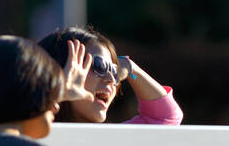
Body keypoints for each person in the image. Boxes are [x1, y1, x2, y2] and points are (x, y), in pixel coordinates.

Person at [36, 25, 183, 125]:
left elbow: (166, 118)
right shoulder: (26, 132)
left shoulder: (110, 141)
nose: (112, 79)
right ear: (59, 69)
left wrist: (131, 69)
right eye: (99, 66)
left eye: (114, 71)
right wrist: (59, 92)